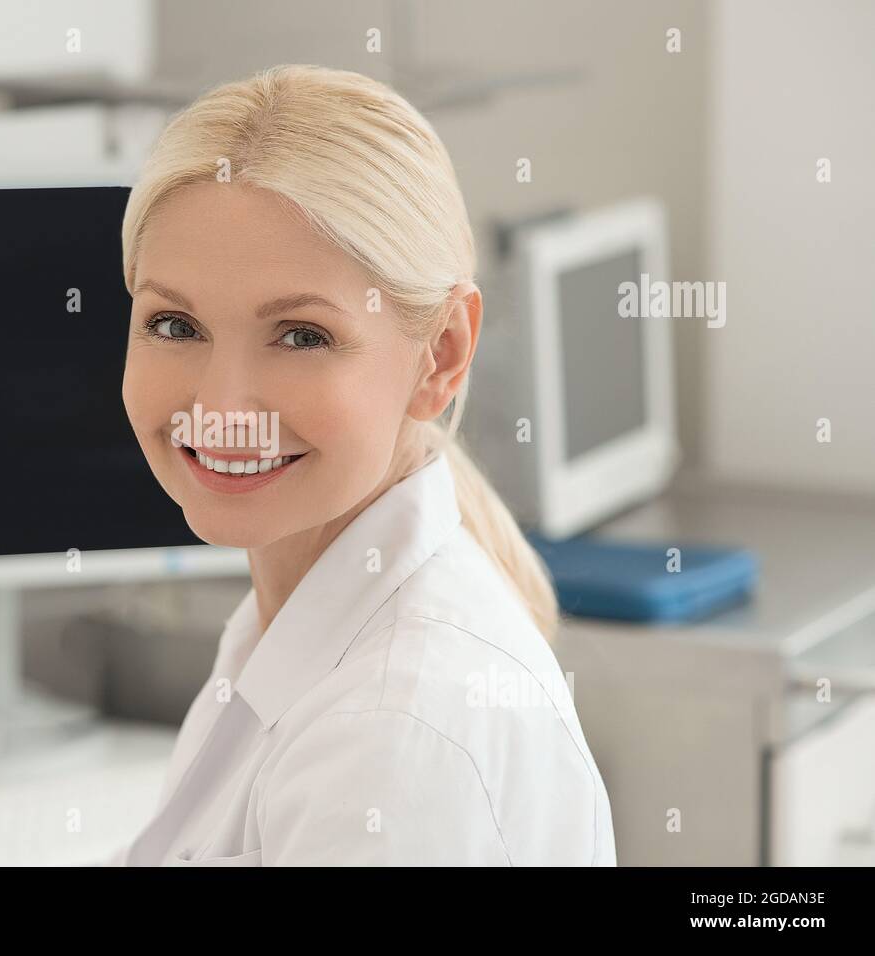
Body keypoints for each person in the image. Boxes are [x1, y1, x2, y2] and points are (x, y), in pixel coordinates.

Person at [112, 64, 616, 866]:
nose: (221, 408)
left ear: (440, 355)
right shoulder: (291, 619)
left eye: (302, 336)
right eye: (175, 325)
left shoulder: (392, 737)